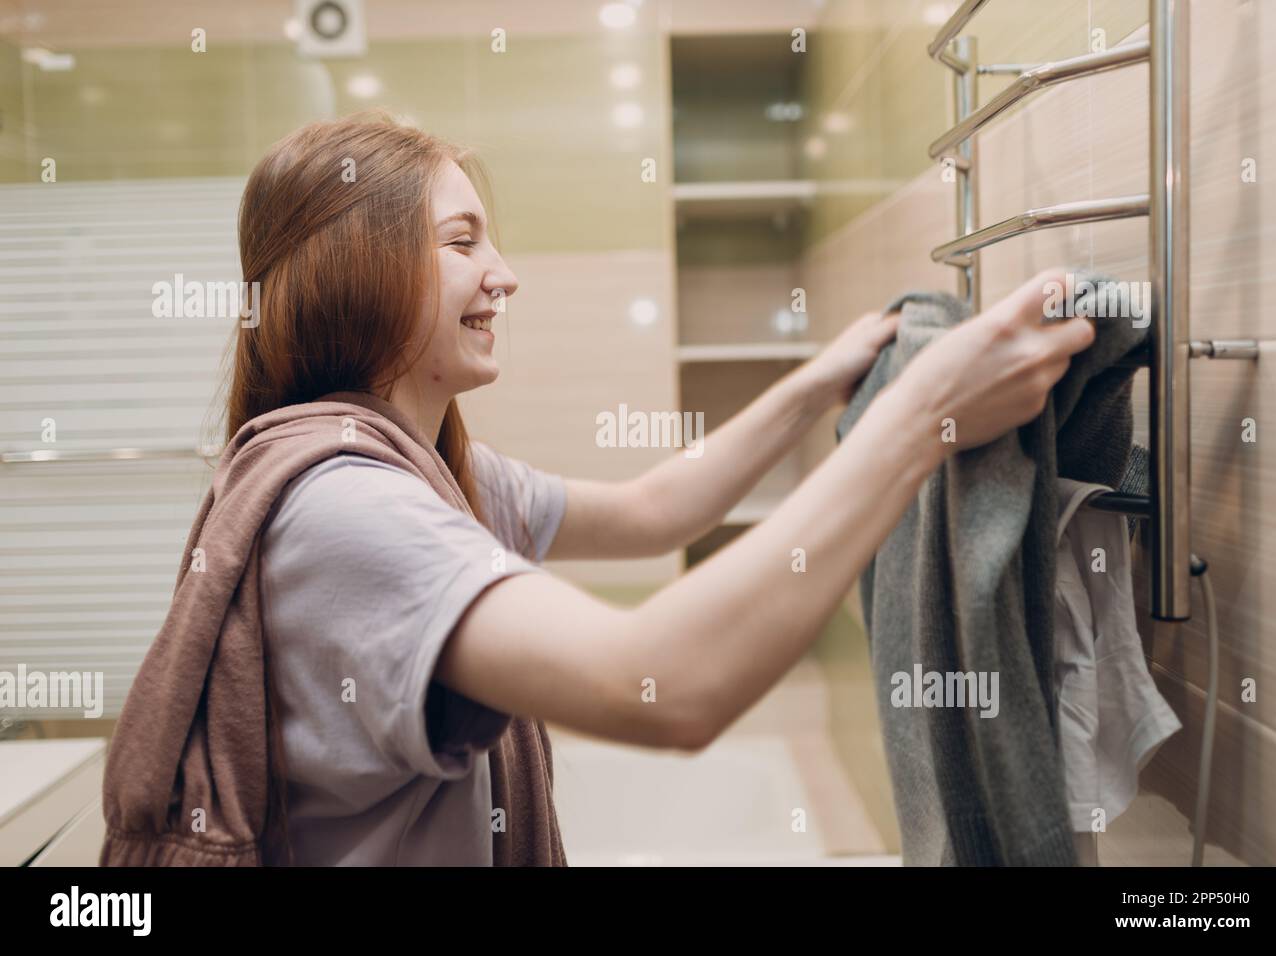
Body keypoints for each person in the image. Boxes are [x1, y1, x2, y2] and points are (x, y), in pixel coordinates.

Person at [229, 113, 1095, 864]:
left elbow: (654, 511)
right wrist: (923, 413)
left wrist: (821, 385)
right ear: (359, 271)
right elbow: (661, 685)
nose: (505, 273)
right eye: (463, 242)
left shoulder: (436, 472)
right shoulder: (347, 511)